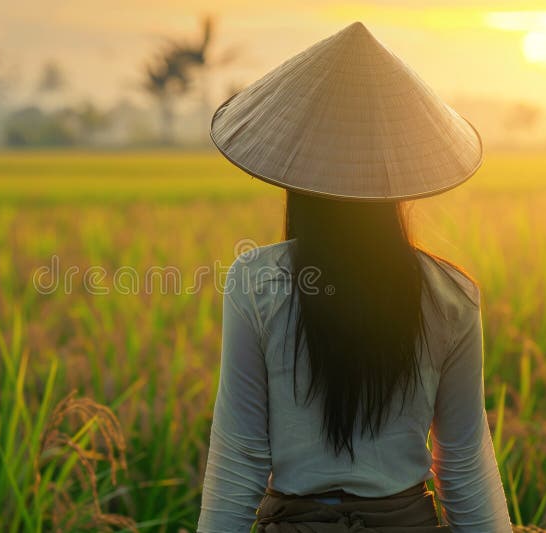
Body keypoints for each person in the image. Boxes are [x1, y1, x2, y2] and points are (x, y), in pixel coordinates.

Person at [197, 22, 513, 532]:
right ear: (395, 176)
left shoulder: (257, 283)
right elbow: (462, 462)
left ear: (296, 175)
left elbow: (241, 453)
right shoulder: (451, 296)